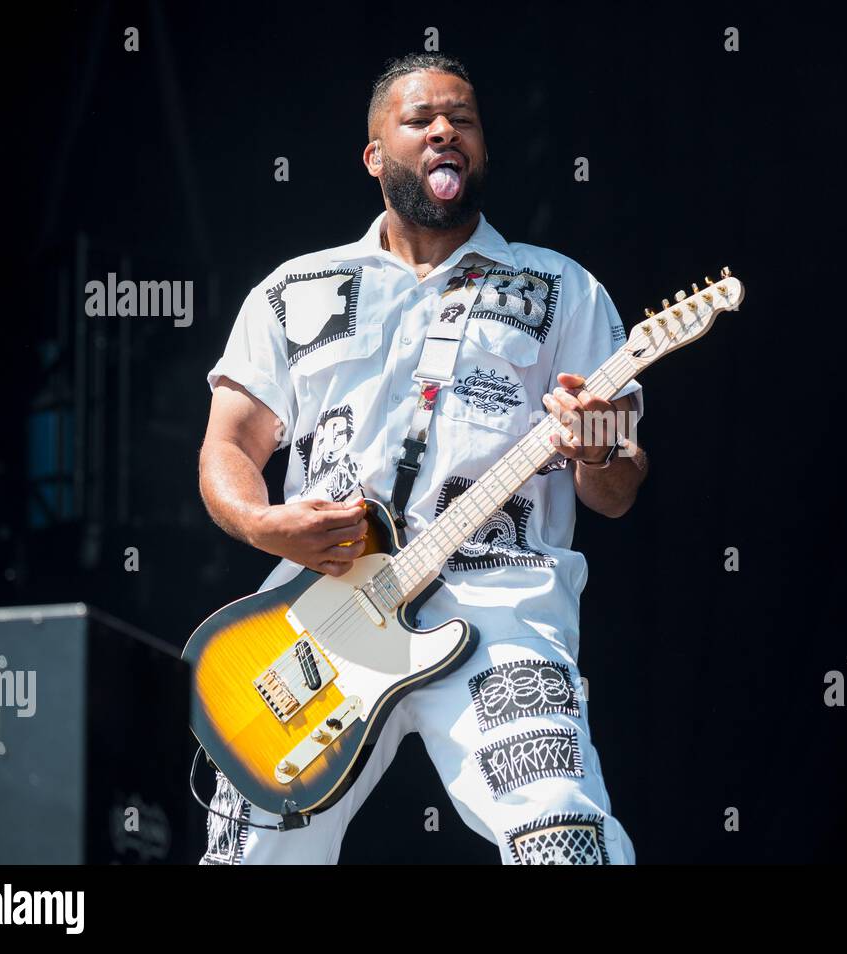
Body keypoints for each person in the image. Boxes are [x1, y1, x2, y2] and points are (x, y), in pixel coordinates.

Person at [196, 52, 647, 864]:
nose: (445, 130)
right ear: (375, 157)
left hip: (500, 608)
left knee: (563, 842)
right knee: (250, 857)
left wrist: (600, 446)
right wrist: (267, 524)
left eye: (463, 120)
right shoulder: (295, 289)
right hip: (320, 611)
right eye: (421, 120)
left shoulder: (563, 290)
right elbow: (228, 443)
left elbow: (614, 493)